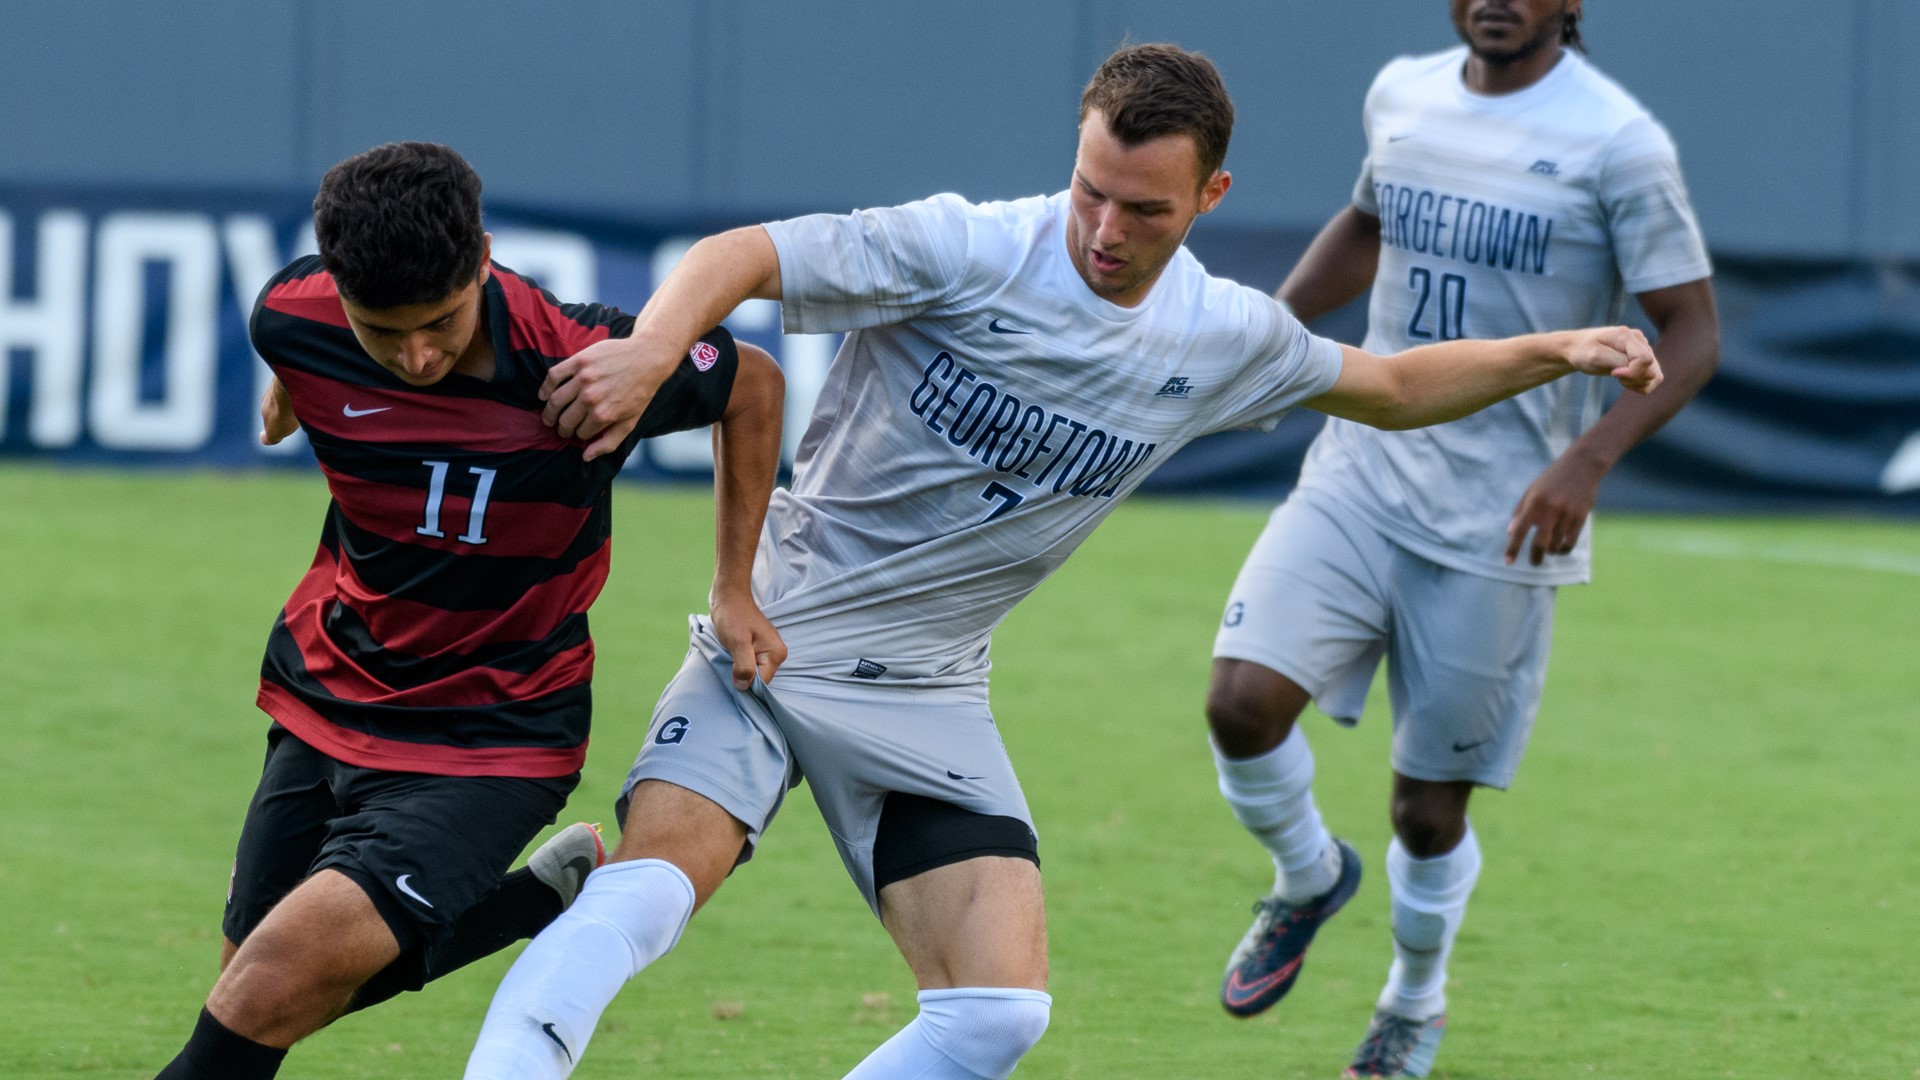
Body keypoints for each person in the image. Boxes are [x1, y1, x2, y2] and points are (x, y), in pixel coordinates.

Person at [460, 43, 1663, 1080]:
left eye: (1145, 209)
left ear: (1210, 197)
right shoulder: (965, 248)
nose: (1104, 229)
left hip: (933, 688)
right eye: (1092, 190)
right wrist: (654, 347)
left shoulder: (1221, 334)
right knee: (654, 890)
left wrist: (1557, 348)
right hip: (777, 636)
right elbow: (744, 253)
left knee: (996, 1014)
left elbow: (1392, 386)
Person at [152, 141, 786, 1080]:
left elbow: (757, 387)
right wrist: (312, 382)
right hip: (328, 691)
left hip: (493, 734)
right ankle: (519, 905)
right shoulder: (291, 316)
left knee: (260, 995)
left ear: (482, 256)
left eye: (440, 323)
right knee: (252, 990)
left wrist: (734, 586)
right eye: (379, 334)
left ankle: (507, 899)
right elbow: (304, 340)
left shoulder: (585, 363)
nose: (415, 357)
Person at [1203, 3, 1720, 1076]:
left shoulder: (1620, 142)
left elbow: (1694, 328)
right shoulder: (1402, 91)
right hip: (1361, 471)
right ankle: (1307, 875)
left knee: (1427, 814)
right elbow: (1368, 223)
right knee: (1239, 704)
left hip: (1501, 518)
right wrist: (1275, 333)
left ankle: (1413, 998)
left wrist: (1586, 462)